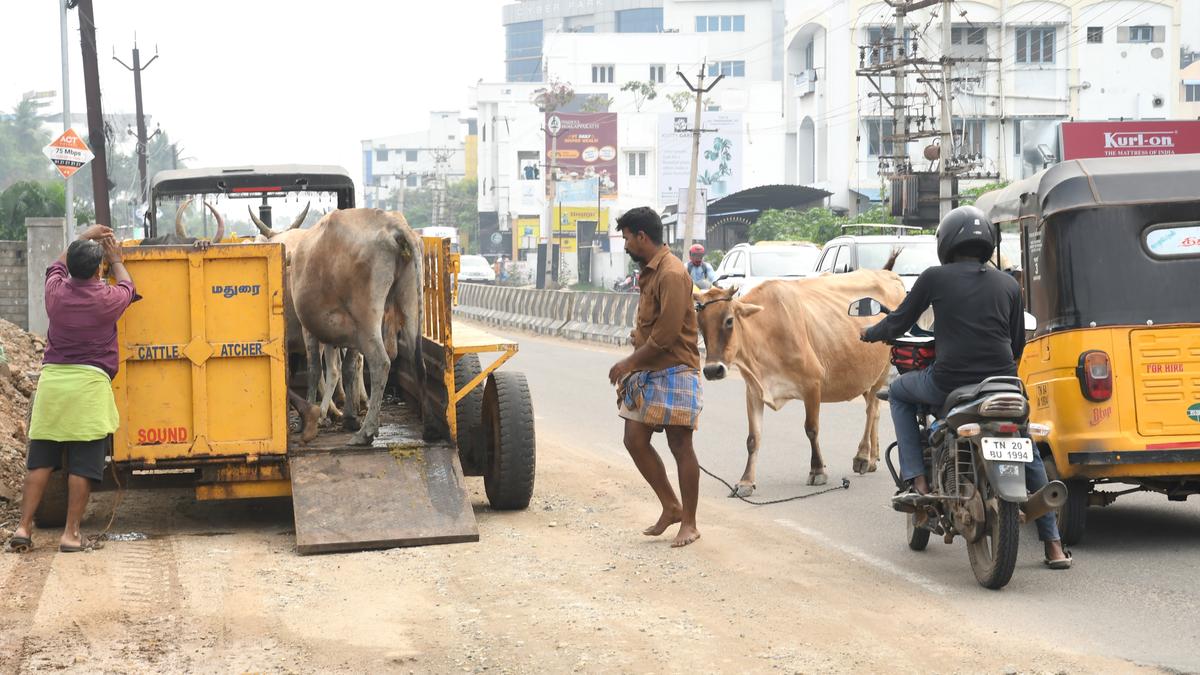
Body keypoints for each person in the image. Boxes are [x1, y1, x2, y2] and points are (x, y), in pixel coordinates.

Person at [860, 206, 1071, 569]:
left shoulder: (934, 278)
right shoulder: (1008, 284)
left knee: (898, 392)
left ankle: (919, 483)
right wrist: (1000, 374)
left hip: (948, 384)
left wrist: (870, 333)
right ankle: (1053, 545)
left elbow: (899, 322)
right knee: (1024, 442)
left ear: (947, 242)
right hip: (1003, 384)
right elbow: (1017, 343)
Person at [5, 225, 137, 554]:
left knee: (40, 462)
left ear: (71, 270)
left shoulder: (56, 292)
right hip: (89, 387)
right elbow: (128, 286)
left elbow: (55, 265)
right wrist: (116, 257)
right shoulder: (107, 299)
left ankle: (23, 528)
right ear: (97, 270)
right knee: (82, 465)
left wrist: (83, 235)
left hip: (53, 385)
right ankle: (71, 534)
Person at [608, 207, 703, 548]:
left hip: (675, 369)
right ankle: (671, 505)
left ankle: (689, 523)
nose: (626, 246)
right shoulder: (650, 272)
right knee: (634, 439)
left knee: (680, 445)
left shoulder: (672, 274)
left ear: (642, 237)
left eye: (627, 239)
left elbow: (664, 336)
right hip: (650, 371)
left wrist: (626, 364)